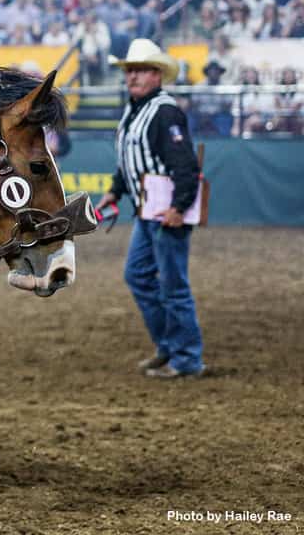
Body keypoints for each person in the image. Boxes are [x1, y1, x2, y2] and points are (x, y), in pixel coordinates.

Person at [95, 40, 206, 379]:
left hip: (165, 213)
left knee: (173, 285)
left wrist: (179, 206)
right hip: (148, 211)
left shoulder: (164, 112)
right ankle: (169, 346)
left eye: (140, 70)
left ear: (157, 75)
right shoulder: (136, 110)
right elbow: (129, 160)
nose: (133, 76)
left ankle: (186, 359)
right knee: (138, 276)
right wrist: (115, 191)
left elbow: (185, 165)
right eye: (130, 71)